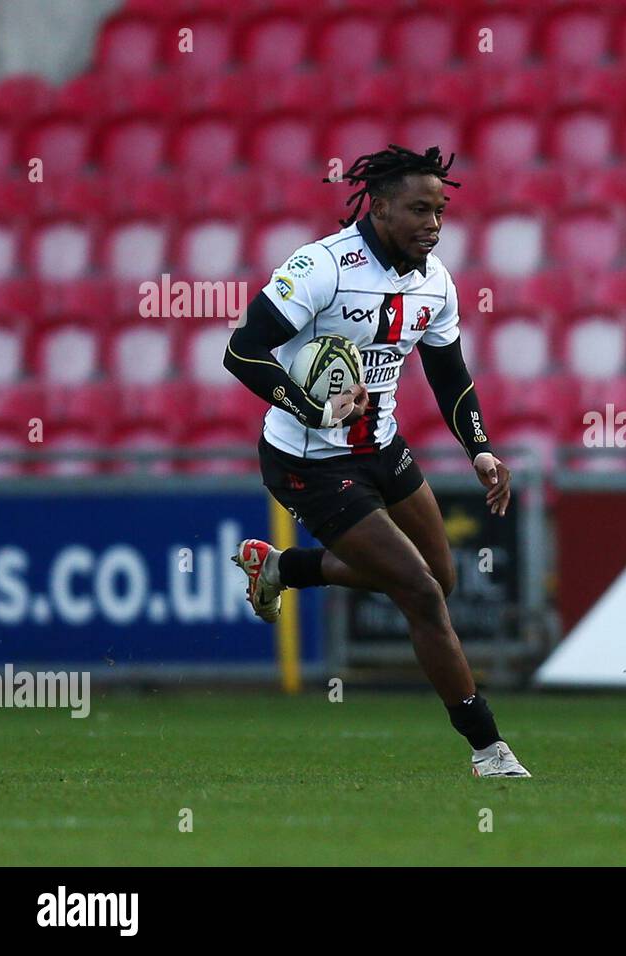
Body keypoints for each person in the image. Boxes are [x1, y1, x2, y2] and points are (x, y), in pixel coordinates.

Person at [223, 145, 529, 778]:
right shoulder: (322, 267)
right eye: (419, 209)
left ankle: (284, 569)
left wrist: (481, 449)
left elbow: (450, 375)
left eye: (441, 211)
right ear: (381, 207)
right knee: (419, 592)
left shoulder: (435, 281)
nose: (434, 224)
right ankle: (488, 748)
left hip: (381, 448)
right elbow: (242, 350)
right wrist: (309, 406)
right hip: (307, 459)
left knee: (438, 580)